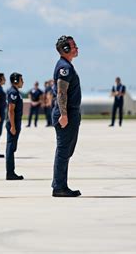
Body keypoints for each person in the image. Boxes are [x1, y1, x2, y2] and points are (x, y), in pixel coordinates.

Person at [51, 35, 82, 197]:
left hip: (71, 112)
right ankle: (59, 187)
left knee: (66, 150)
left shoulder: (66, 65)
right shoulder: (65, 67)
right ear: (65, 49)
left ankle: (59, 183)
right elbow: (61, 92)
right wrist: (64, 114)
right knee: (63, 151)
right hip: (66, 113)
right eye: (74, 45)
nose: (77, 48)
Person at [5, 72, 24, 180]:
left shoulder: (16, 92)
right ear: (16, 81)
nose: (23, 82)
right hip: (13, 123)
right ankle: (10, 173)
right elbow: (11, 110)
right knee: (10, 148)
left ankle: (11, 172)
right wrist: (12, 126)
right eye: (21, 80)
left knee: (12, 148)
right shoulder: (13, 92)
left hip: (15, 123)